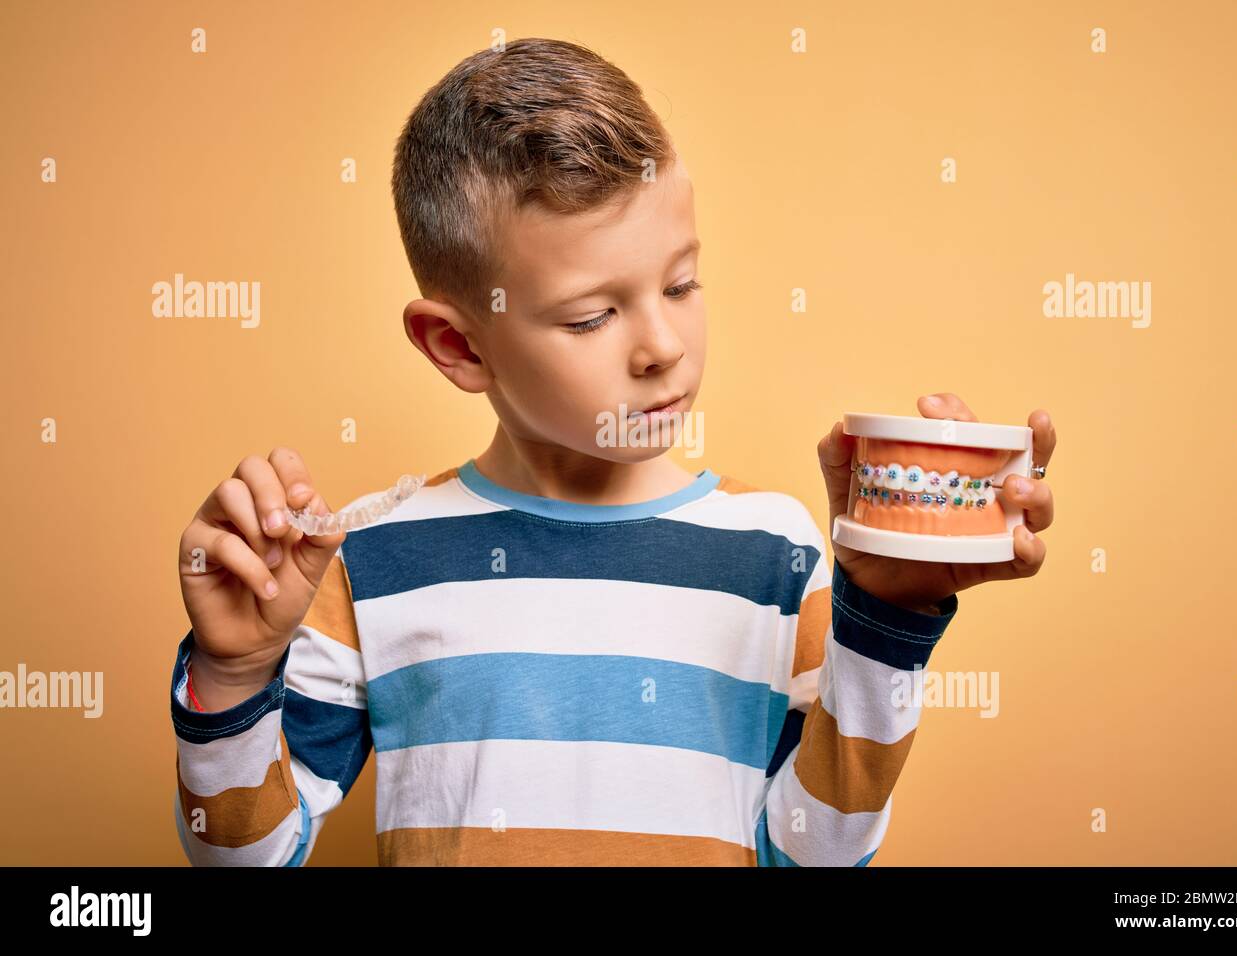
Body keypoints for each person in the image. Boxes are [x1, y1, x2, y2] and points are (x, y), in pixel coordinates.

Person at [170, 37, 1057, 866]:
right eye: (594, 315)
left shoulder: (775, 551)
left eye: (681, 283)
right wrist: (236, 673)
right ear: (460, 347)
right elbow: (243, 854)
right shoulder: (369, 559)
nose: (663, 346)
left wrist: (886, 624)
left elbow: (818, 853)